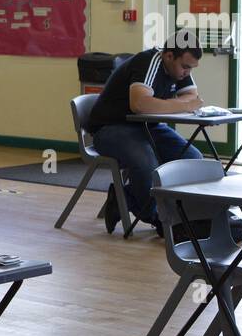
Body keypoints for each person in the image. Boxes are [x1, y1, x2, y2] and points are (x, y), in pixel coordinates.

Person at [87, 28, 205, 234]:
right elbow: (140, 104)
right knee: (146, 162)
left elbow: (193, 97)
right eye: (185, 67)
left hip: (147, 127)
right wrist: (182, 105)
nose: (187, 73)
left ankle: (125, 196)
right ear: (169, 56)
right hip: (110, 128)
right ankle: (157, 218)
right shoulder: (149, 62)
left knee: (193, 158)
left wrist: (164, 104)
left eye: (192, 68)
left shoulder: (180, 68)